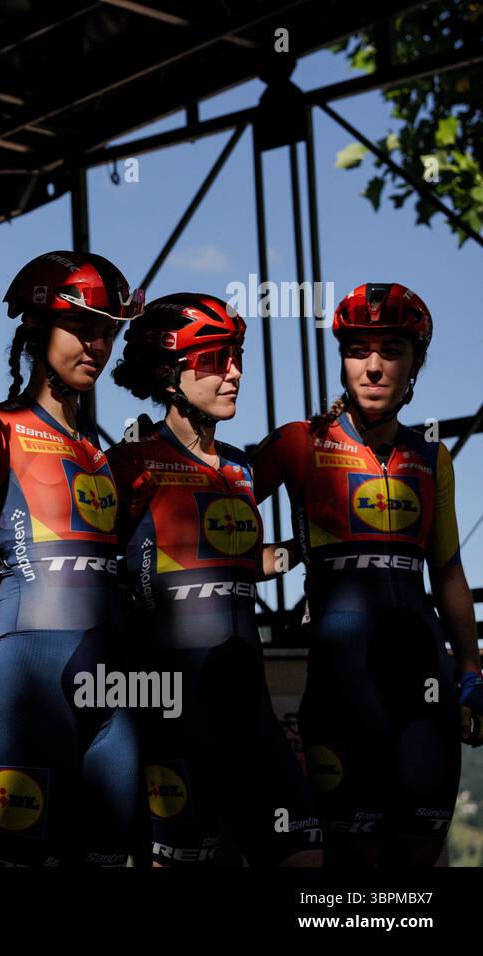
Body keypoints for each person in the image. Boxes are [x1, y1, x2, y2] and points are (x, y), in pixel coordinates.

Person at [252, 282, 480, 867]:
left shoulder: (432, 457)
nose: (374, 366)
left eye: (392, 350)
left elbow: (448, 571)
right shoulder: (299, 442)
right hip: (341, 685)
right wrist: (281, 556)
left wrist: (472, 669)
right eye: (358, 350)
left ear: (415, 364)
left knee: (417, 862)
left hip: (425, 680)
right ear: (343, 360)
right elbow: (211, 520)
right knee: (349, 860)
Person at [106, 292, 322, 866]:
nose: (234, 373)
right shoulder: (128, 463)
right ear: (166, 374)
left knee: (304, 854)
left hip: (248, 710)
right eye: (214, 360)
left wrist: (302, 549)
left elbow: (243, 569)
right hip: (169, 714)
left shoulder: (242, 469)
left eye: (236, 357)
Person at [0, 251, 148, 866]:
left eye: (108, 330)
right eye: (81, 327)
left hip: (113, 690)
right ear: (36, 329)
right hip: (27, 680)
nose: (97, 344)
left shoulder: (102, 456)